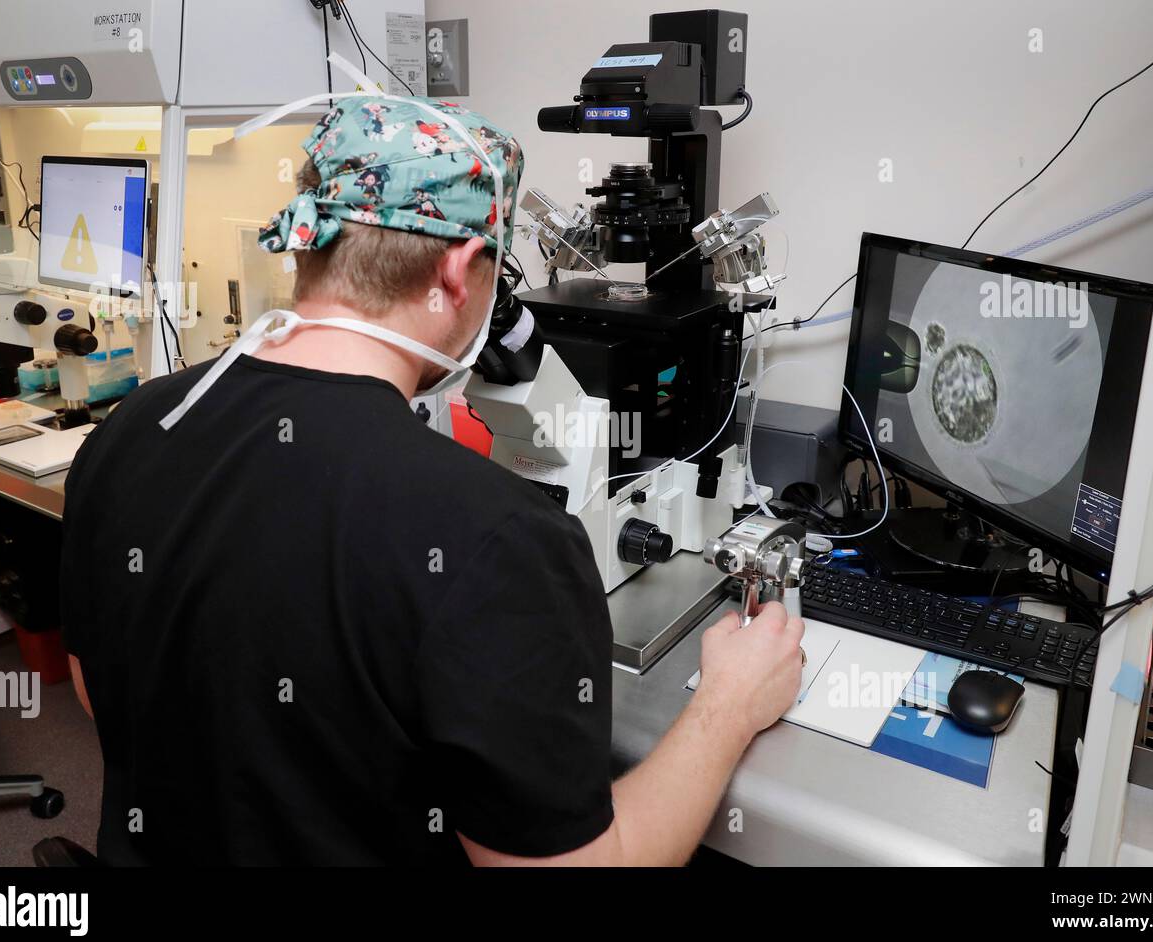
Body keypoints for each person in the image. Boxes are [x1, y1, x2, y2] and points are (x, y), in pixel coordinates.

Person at [61, 95, 805, 866]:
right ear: (456, 270)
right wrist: (728, 704)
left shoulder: (136, 425)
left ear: (310, 242)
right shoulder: (493, 536)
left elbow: (96, 697)